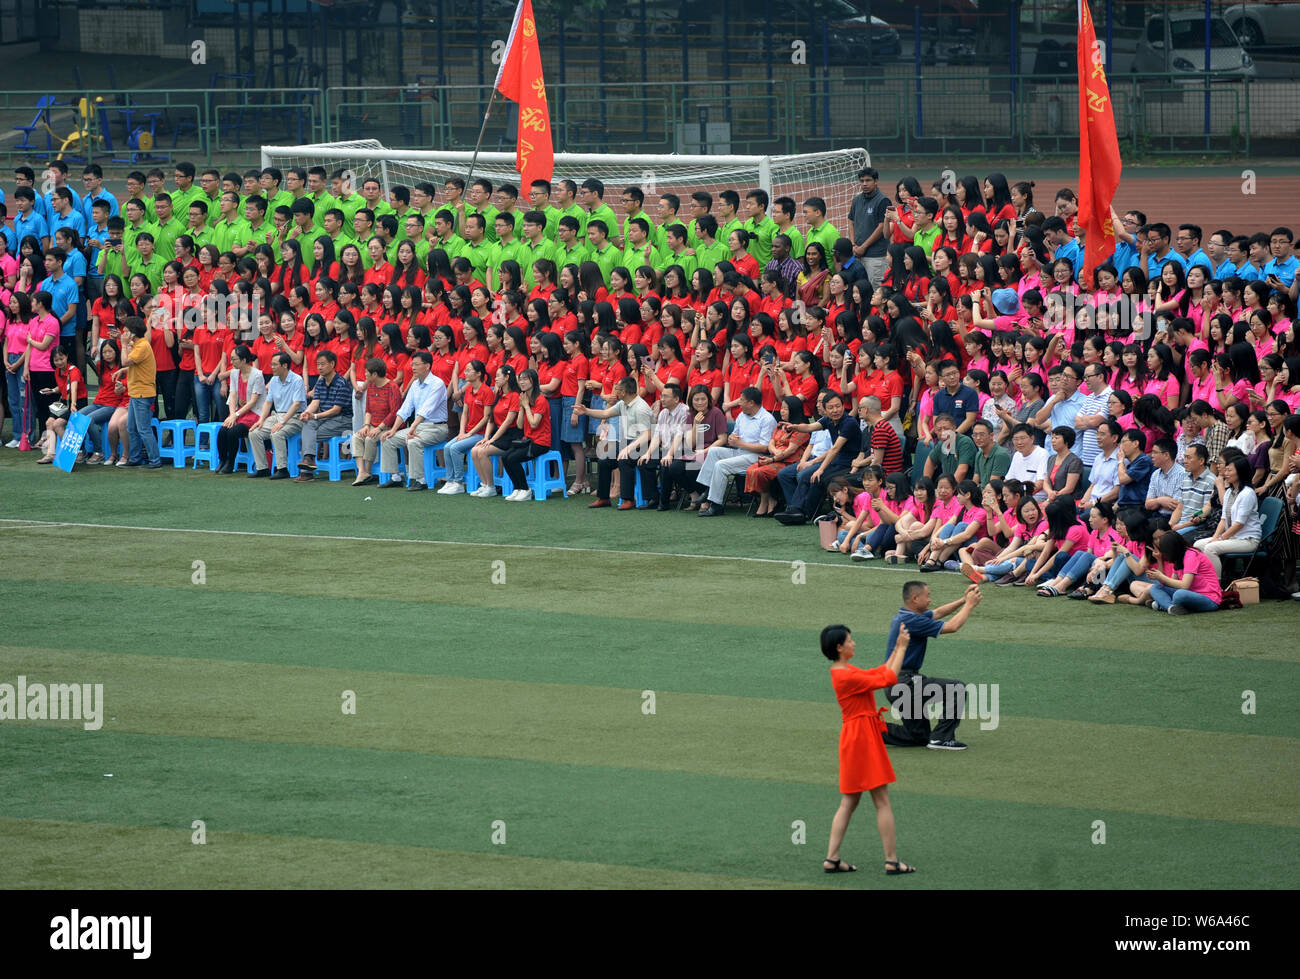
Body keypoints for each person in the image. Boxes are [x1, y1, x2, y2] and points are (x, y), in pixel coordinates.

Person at [821, 621, 915, 875]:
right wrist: (904, 648)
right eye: (850, 640)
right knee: (882, 801)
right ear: (840, 647)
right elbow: (889, 677)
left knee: (849, 801)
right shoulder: (848, 675)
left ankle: (832, 858)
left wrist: (896, 649)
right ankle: (892, 861)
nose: (854, 643)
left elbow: (878, 673)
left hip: (853, 738)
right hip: (863, 738)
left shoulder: (843, 672)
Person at [881, 581, 983, 751]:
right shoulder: (912, 620)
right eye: (927, 596)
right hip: (904, 683)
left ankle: (872, 730)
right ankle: (941, 738)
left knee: (917, 736)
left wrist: (963, 600)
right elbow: (952, 626)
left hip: (894, 684)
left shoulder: (905, 615)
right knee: (956, 689)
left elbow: (938, 612)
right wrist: (970, 605)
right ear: (915, 598)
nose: (930, 600)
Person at [775, 390, 862, 524]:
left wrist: (820, 469)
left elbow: (835, 449)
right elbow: (810, 427)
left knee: (818, 478)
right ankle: (795, 510)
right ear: (825, 410)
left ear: (843, 406)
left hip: (849, 464)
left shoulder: (849, 423)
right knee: (805, 475)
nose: (835, 410)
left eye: (838, 406)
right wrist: (795, 427)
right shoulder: (828, 420)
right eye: (831, 407)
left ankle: (807, 514)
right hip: (836, 462)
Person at [693, 385, 775, 516]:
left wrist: (740, 443)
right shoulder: (742, 415)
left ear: (751, 403)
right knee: (714, 452)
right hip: (739, 452)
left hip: (757, 457)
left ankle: (716, 506)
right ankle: (708, 491)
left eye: (741, 400)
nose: (739, 403)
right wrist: (732, 438)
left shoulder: (767, 419)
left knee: (721, 465)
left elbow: (765, 448)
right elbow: (735, 434)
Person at [379, 350, 450, 491]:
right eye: (412, 364)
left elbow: (427, 410)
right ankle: (395, 477)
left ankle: (420, 479)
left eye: (417, 364)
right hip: (419, 427)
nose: (413, 368)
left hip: (436, 428)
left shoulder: (438, 384)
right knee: (387, 439)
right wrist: (393, 430)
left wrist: (412, 428)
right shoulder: (415, 385)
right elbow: (405, 409)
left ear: (427, 366)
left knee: (413, 441)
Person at [581, 376, 655, 509]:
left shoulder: (641, 408)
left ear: (624, 392)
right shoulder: (623, 404)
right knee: (604, 459)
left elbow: (648, 434)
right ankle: (603, 498)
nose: (615, 390)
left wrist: (628, 448)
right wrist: (586, 411)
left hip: (644, 444)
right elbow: (605, 413)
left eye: (618, 388)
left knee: (624, 459)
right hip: (627, 442)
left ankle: (628, 499)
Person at [1193, 455, 1262, 577]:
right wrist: (1215, 537)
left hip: (1248, 539)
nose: (1226, 473)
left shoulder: (1247, 493)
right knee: (1197, 545)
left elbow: (1239, 524)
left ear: (1240, 472)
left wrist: (1221, 538)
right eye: (1226, 470)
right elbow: (1223, 519)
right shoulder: (1229, 492)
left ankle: (1216, 585)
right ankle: (1204, 579)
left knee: (1210, 549)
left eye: (1230, 470)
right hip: (1233, 537)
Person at [296, 349, 353, 480]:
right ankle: (308, 461)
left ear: (332, 364)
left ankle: (307, 471)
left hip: (343, 419)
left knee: (309, 434)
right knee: (307, 424)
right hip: (326, 418)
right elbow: (315, 403)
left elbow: (336, 410)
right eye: (317, 364)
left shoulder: (341, 383)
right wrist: (307, 412)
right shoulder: (320, 382)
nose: (319, 367)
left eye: (322, 364)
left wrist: (315, 416)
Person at [248, 352, 306, 479]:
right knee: (254, 433)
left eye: (275, 364)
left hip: (295, 417)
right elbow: (268, 402)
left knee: (277, 433)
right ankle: (262, 468)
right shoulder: (274, 380)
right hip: (277, 416)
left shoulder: (297, 380)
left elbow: (296, 405)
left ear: (285, 365)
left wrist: (283, 422)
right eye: (271, 364)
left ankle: (282, 468)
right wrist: (261, 420)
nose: (272, 367)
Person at [115, 316, 160, 468]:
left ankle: (155, 460)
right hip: (137, 392)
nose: (124, 333)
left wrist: (123, 345)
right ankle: (135, 458)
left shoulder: (141, 346)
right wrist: (124, 369)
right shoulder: (139, 345)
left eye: (126, 331)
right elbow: (137, 366)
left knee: (143, 429)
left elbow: (126, 361)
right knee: (132, 428)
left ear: (133, 332)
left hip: (143, 393)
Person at [348, 357, 401, 486]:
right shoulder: (371, 386)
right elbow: (368, 410)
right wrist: (366, 425)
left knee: (370, 439)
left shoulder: (392, 387)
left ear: (375, 374)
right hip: (373, 424)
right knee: (357, 437)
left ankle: (367, 470)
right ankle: (362, 472)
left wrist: (379, 428)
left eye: (366, 372)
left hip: (389, 426)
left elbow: (394, 412)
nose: (365, 374)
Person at [214, 344, 266, 474]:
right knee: (223, 430)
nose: (231, 362)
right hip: (240, 412)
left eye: (234, 359)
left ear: (243, 360)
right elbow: (232, 395)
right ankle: (222, 460)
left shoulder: (257, 375)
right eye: (231, 359)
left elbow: (253, 402)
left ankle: (230, 463)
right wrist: (232, 415)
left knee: (232, 432)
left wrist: (235, 415)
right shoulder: (234, 373)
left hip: (255, 414)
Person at [1148, 530, 1222, 614]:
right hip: (1190, 593)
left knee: (1179, 595)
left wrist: (1162, 577)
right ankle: (1171, 607)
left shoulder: (1191, 555)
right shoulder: (1178, 558)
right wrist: (1158, 577)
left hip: (1209, 598)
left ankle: (1162, 604)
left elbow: (1184, 585)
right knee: (1155, 588)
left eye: (1165, 551)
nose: (1165, 554)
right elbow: (1172, 584)